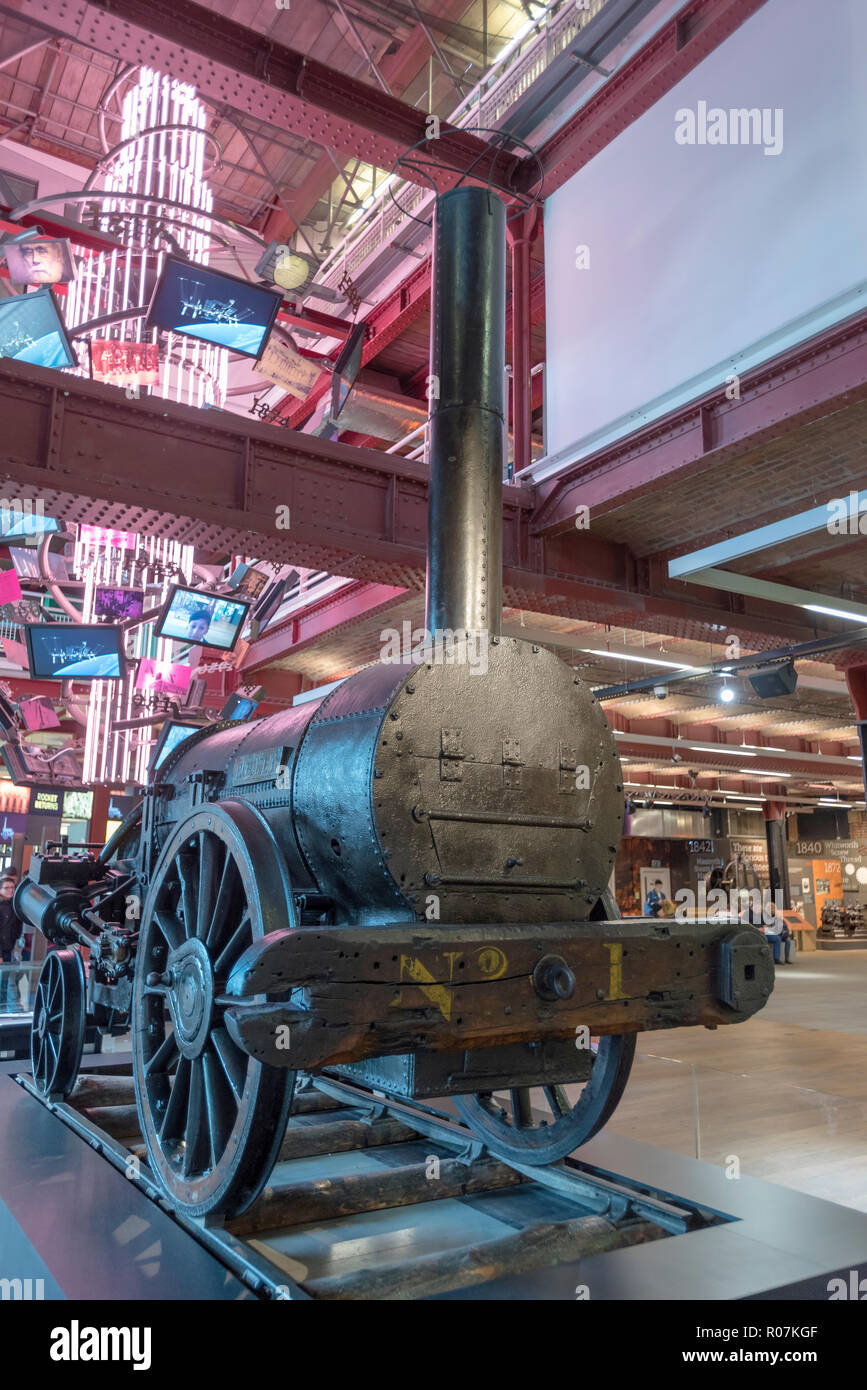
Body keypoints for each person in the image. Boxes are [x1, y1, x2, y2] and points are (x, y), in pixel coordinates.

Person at [0, 874, 23, 1012]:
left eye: (13, 888)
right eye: (6, 888)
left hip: (10, 949)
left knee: (5, 982)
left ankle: (3, 1010)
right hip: (2, 950)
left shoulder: (15, 905)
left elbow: (16, 929)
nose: (10, 890)